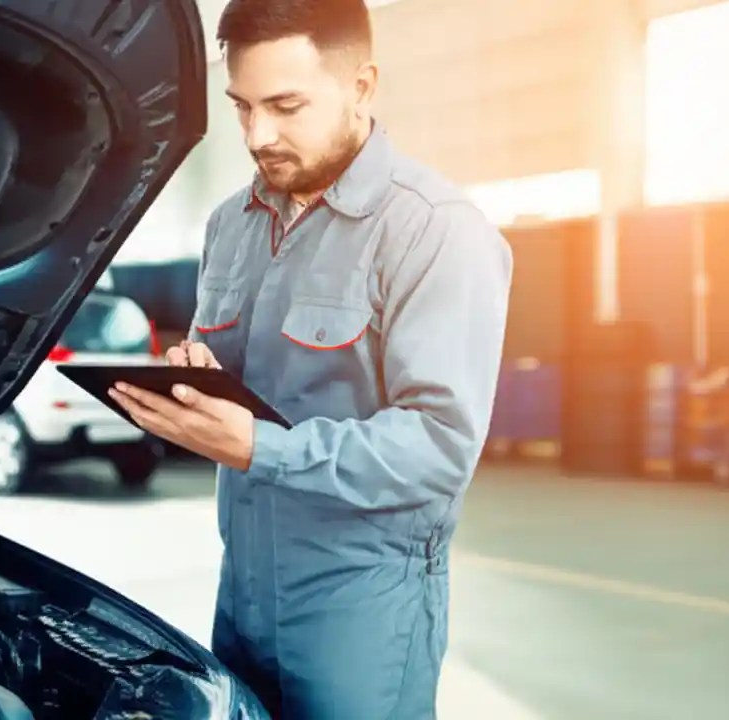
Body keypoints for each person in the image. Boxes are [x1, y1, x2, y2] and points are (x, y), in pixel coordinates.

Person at [107, 0, 513, 717]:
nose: (258, 135)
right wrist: (195, 385)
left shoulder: (435, 233)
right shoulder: (231, 225)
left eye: (286, 106)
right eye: (242, 108)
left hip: (361, 604)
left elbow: (440, 445)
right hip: (243, 589)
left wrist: (261, 448)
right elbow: (232, 380)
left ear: (361, 87)